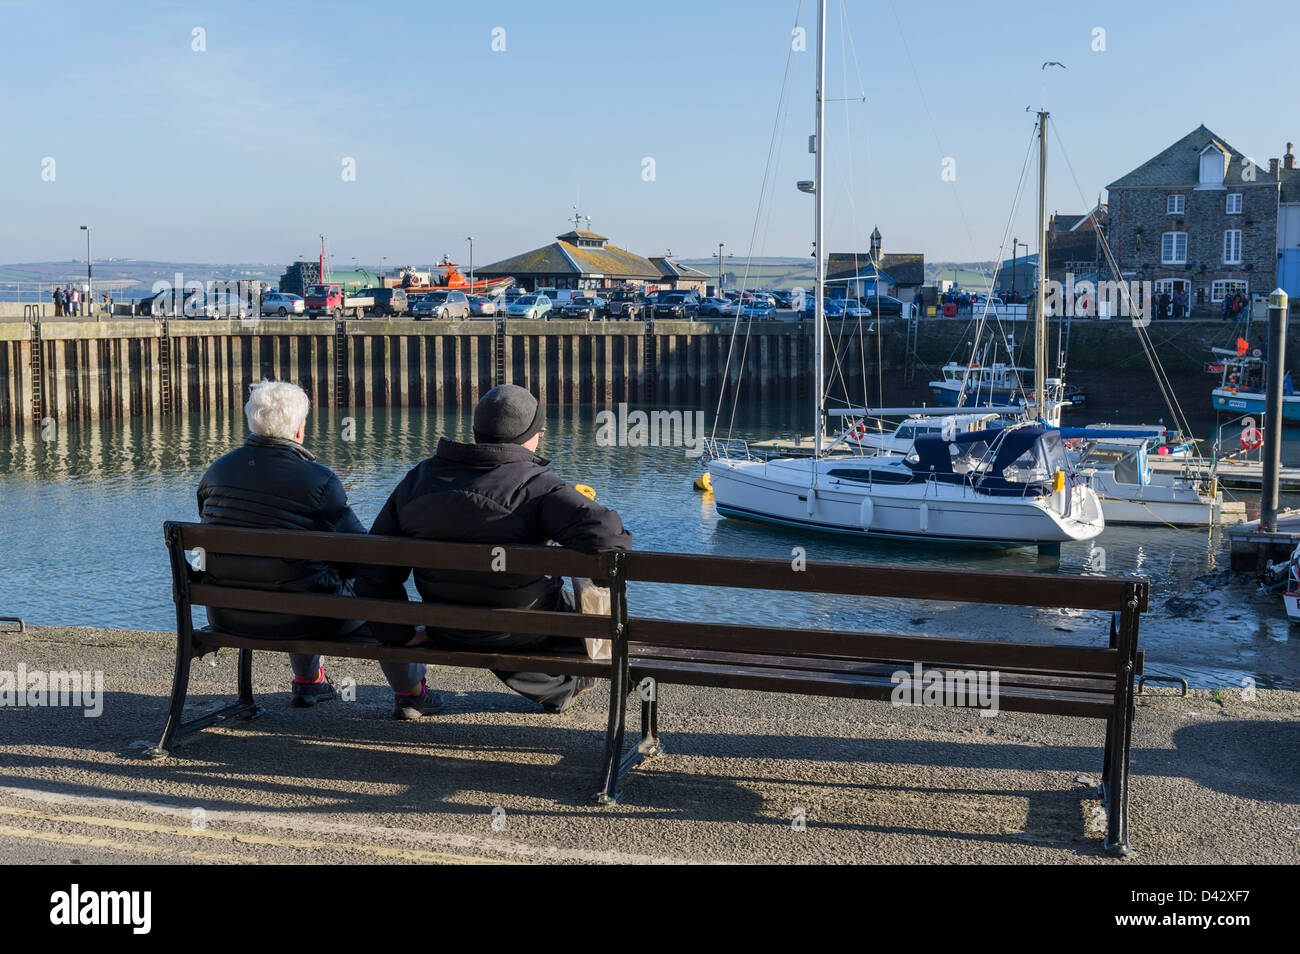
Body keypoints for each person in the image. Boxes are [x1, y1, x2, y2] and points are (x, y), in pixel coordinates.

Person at [355, 384, 631, 713]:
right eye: (540, 432)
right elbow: (610, 540)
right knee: (563, 608)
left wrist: (397, 634)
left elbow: (373, 567)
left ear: (477, 431)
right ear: (530, 434)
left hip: (447, 627)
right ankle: (561, 689)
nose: (540, 439)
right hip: (521, 631)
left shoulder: (418, 479)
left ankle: (555, 689)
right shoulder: (537, 486)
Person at [197, 380, 439, 717]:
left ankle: (309, 682)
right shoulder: (318, 480)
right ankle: (411, 693)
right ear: (299, 429)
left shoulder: (215, 472)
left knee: (298, 571)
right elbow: (362, 557)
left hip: (226, 615)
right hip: (301, 619)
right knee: (373, 588)